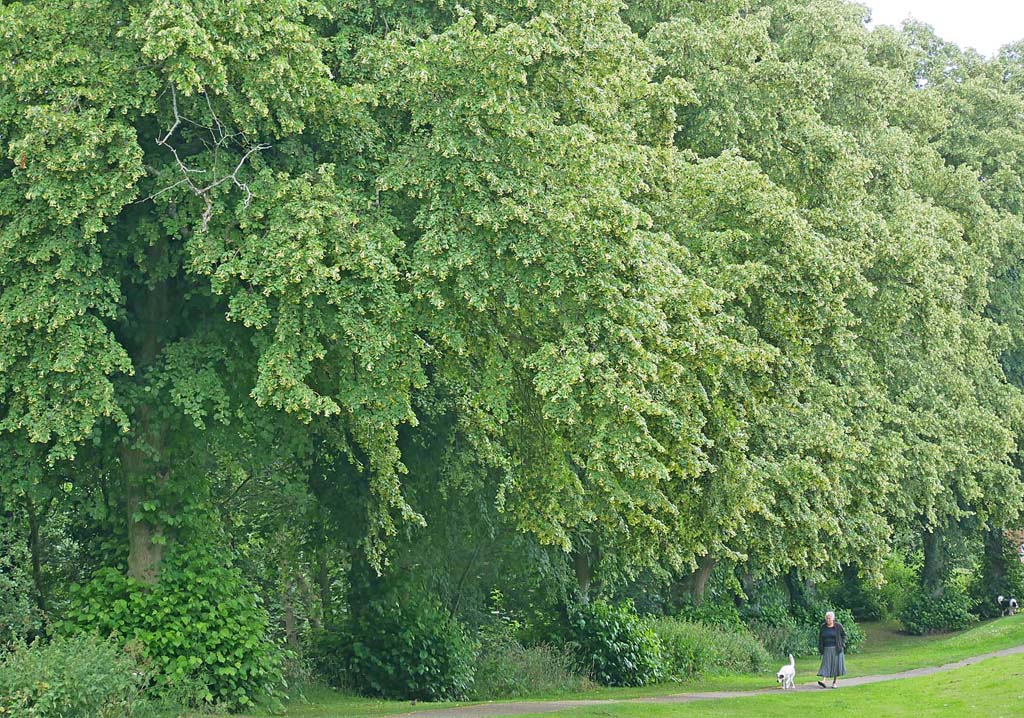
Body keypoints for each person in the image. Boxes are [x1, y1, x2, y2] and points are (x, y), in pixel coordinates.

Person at [817, 610, 847, 688]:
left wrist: (842, 644)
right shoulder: (823, 627)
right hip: (827, 648)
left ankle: (834, 683)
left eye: (829, 618)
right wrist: (820, 648)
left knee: (836, 666)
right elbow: (820, 638)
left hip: (836, 649)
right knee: (826, 664)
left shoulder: (838, 626)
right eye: (826, 618)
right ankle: (823, 680)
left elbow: (844, 635)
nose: (827, 620)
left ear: (833, 619)